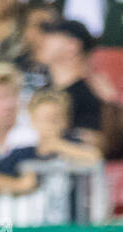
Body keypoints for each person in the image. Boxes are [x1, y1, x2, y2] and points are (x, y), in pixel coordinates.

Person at [37, 19, 105, 147]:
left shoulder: (89, 94)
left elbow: (93, 142)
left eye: (52, 35)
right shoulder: (43, 92)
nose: (41, 40)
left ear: (72, 46)